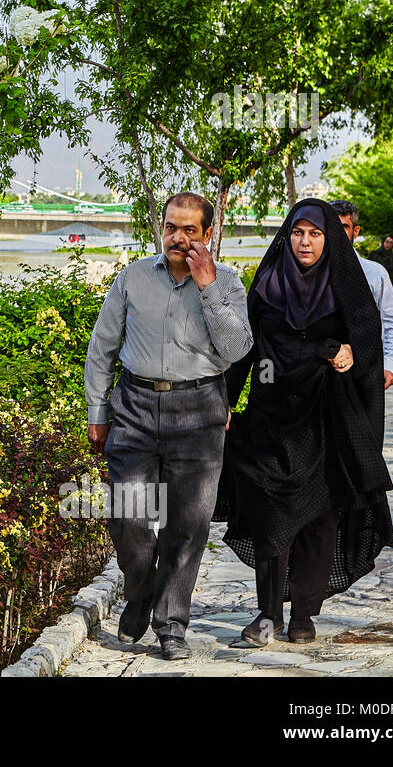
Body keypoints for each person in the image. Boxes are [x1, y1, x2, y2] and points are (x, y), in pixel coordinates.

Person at [215, 199, 393, 647]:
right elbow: (245, 348)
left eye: (315, 234)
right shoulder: (269, 282)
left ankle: (302, 614)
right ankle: (266, 614)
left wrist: (350, 352)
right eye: (299, 232)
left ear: (330, 237)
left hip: (326, 417)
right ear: (288, 234)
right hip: (270, 415)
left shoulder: (346, 282)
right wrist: (224, 402)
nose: (306, 241)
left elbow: (368, 339)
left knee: (320, 515)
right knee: (267, 511)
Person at [85, 191, 253, 660]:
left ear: (207, 234)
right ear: (161, 229)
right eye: (171, 228)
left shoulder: (229, 284)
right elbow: (101, 349)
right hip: (135, 408)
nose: (179, 238)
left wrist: (208, 287)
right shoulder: (132, 279)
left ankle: (171, 623)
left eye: (190, 230)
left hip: (200, 412)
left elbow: (238, 349)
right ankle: (140, 592)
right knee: (129, 520)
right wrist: (98, 412)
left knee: (189, 524)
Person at [330, 201, 393, 389]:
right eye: (332, 226)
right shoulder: (310, 275)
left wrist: (388, 366)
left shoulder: (374, 274)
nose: (337, 233)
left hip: (365, 372)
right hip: (322, 373)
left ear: (356, 231)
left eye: (344, 227)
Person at [368, 234, 393, 303]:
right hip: (375, 288)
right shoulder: (373, 254)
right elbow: (367, 271)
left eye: (391, 243)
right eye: (387, 242)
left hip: (389, 288)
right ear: (383, 242)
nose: (388, 244)